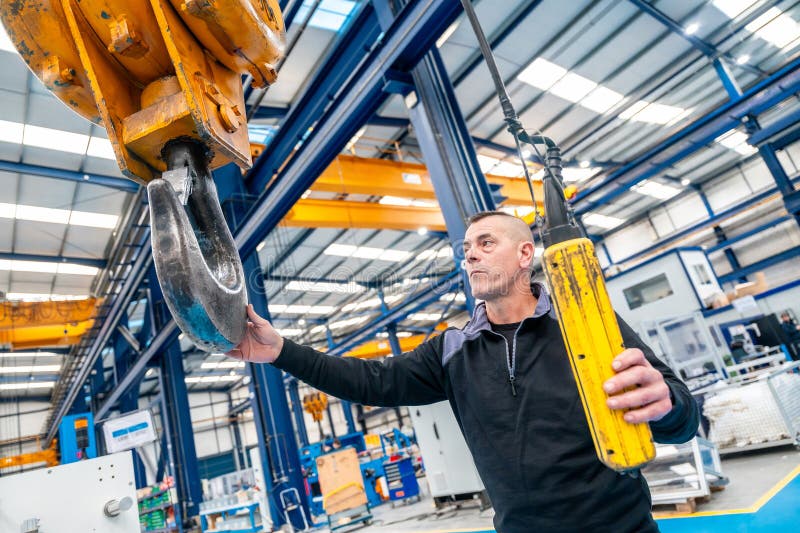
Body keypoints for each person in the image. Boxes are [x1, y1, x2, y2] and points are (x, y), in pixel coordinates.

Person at [226, 211, 699, 533]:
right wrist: (281, 352)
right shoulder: (452, 350)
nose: (469, 254)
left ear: (524, 255)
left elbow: (682, 419)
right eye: (466, 247)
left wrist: (668, 404)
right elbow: (370, 381)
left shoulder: (584, 323)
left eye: (486, 243)